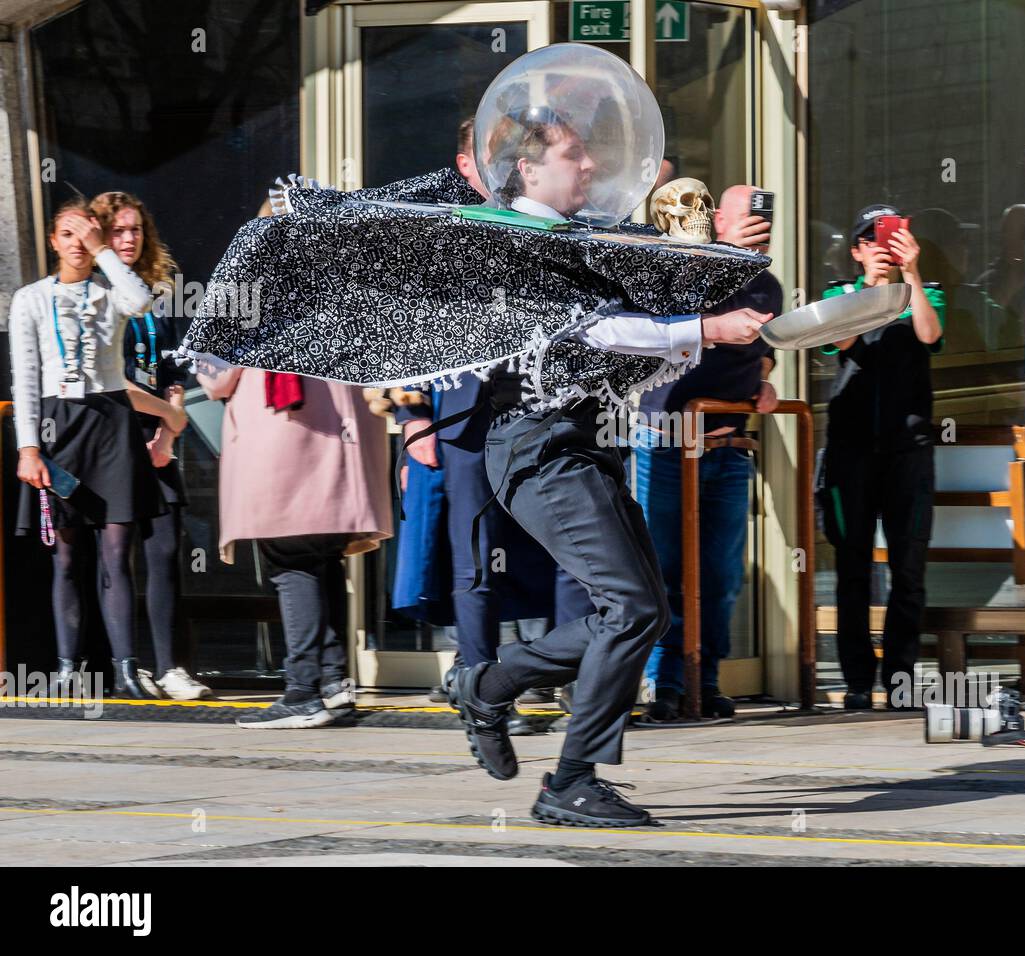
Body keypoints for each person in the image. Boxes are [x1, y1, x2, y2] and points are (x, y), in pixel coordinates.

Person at [450, 110, 772, 827]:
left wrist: (718, 263)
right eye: (573, 156)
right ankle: (570, 781)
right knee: (630, 609)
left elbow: (636, 329)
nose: (590, 167)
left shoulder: (575, 237)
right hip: (538, 446)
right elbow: (590, 328)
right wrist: (707, 328)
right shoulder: (514, 237)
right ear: (529, 169)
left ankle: (489, 684)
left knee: (642, 610)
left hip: (582, 444)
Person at [396, 119, 590, 714]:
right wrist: (410, 414)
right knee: (474, 555)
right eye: (491, 155)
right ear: (467, 165)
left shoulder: (552, 226)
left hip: (540, 408)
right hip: (463, 411)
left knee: (567, 552)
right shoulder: (446, 229)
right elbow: (407, 328)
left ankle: (569, 681)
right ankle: (479, 684)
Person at [195, 203, 393, 729]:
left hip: (284, 446)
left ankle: (303, 689)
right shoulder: (349, 284)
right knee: (320, 558)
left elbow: (215, 375)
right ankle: (333, 683)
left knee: (291, 562)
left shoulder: (252, 292)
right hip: (339, 451)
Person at [8, 198, 185, 698]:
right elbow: (24, 380)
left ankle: (127, 667)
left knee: (116, 552)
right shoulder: (31, 298)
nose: (76, 244)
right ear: (51, 242)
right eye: (66, 235)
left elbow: (140, 301)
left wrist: (102, 248)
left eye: (83, 233)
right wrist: (27, 449)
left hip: (109, 419)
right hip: (57, 423)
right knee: (66, 554)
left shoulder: (112, 291)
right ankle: (67, 666)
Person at [634, 183, 782, 720]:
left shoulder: (767, 287)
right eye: (749, 215)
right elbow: (668, 322)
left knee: (720, 574)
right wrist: (721, 260)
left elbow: (761, 355)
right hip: (667, 444)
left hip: (728, 448)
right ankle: (664, 683)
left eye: (766, 216)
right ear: (718, 219)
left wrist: (763, 381)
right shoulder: (681, 270)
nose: (760, 224)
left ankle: (707, 677)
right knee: (664, 569)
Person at [818, 204, 945, 710]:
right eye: (872, 241)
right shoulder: (839, 297)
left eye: (890, 239)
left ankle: (900, 678)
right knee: (852, 568)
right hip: (851, 452)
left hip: (907, 451)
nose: (882, 248)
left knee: (908, 568)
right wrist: (871, 289)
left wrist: (911, 274)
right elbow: (840, 339)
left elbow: (930, 335)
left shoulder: (922, 291)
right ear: (856, 252)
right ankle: (855, 680)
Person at [92, 190, 212, 700]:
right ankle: (125, 664)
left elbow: (171, 368)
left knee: (164, 548)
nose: (128, 238)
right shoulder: (96, 293)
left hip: (158, 437)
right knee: (115, 556)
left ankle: (171, 667)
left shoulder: (155, 294)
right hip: (113, 435)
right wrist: (164, 415)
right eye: (117, 230)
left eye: (135, 229)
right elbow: (109, 375)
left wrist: (169, 425)